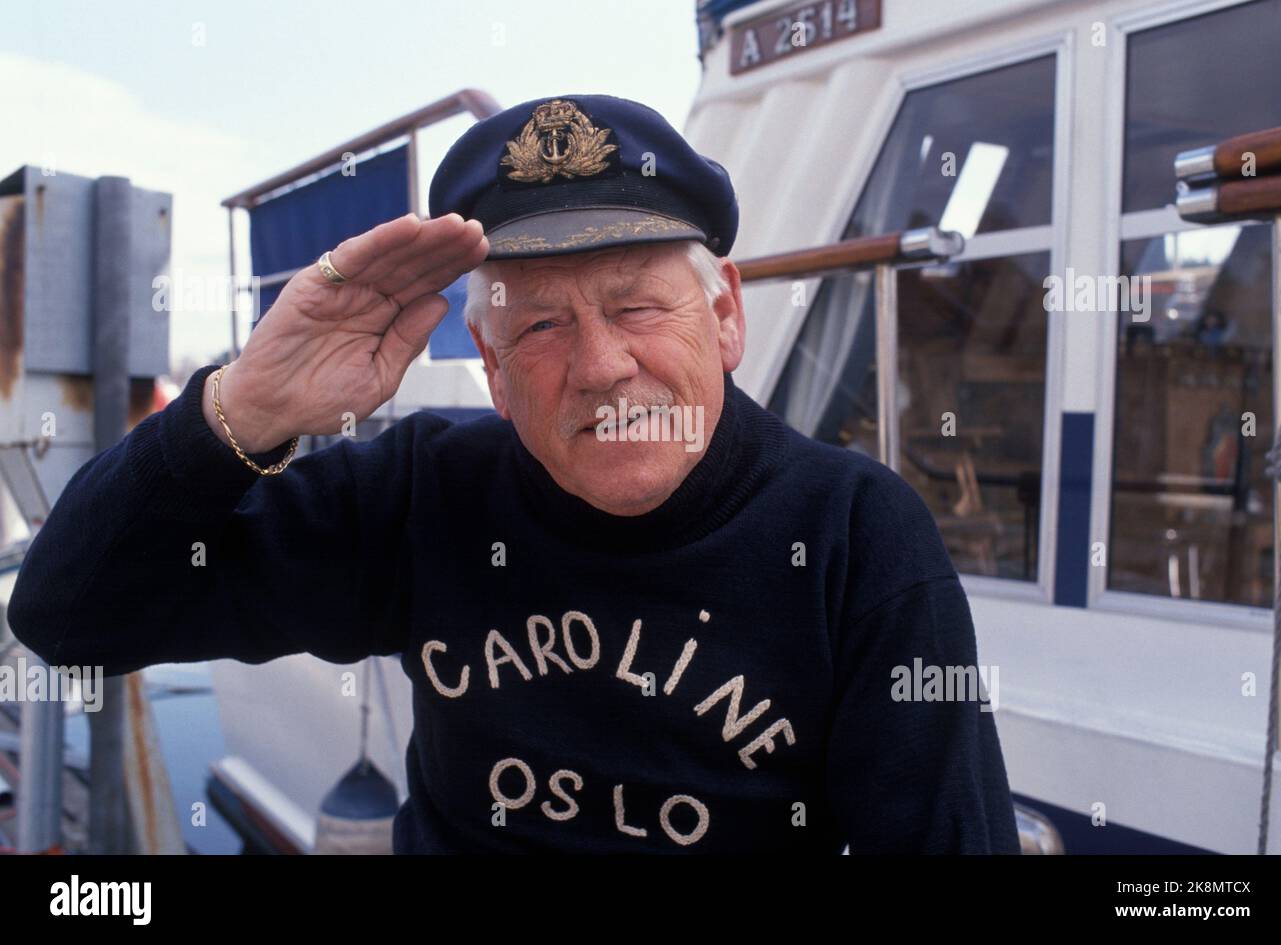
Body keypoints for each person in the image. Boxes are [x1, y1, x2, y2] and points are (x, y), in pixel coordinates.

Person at [7, 94, 1020, 854]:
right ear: (489, 369)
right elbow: (70, 617)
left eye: (635, 306)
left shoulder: (853, 534)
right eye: (538, 324)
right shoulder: (421, 492)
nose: (599, 365)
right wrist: (243, 409)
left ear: (724, 319)